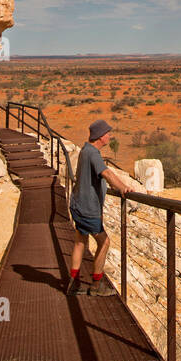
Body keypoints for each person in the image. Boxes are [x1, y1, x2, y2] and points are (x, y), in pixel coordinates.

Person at [67, 119, 134, 297]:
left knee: (80, 242)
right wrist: (122, 187)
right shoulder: (93, 153)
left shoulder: (85, 151)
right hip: (88, 208)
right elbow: (106, 172)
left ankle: (74, 283)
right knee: (104, 242)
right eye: (107, 133)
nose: (109, 136)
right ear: (100, 137)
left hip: (77, 204)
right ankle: (96, 285)